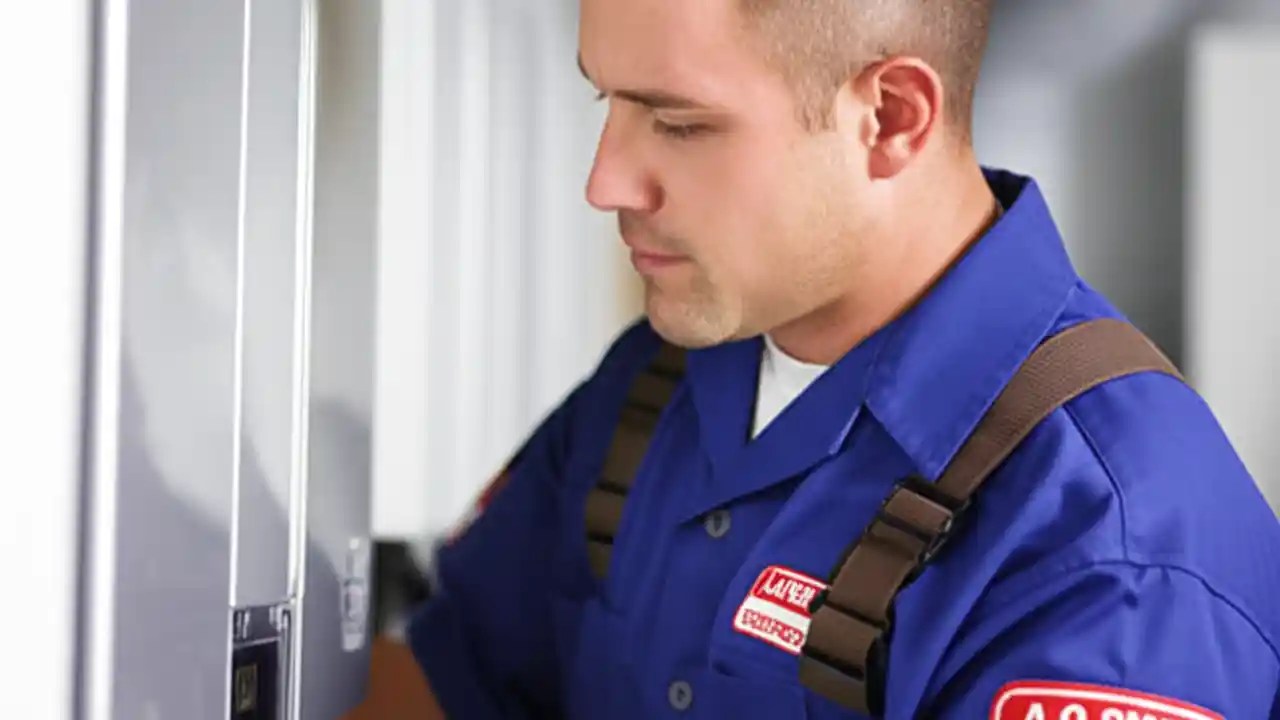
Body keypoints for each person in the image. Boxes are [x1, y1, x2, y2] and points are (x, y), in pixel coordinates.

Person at [380, 0, 1280, 717]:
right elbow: (451, 683)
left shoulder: (1112, 546)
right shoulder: (655, 385)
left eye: (679, 123)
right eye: (605, 102)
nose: (605, 180)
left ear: (890, 118)